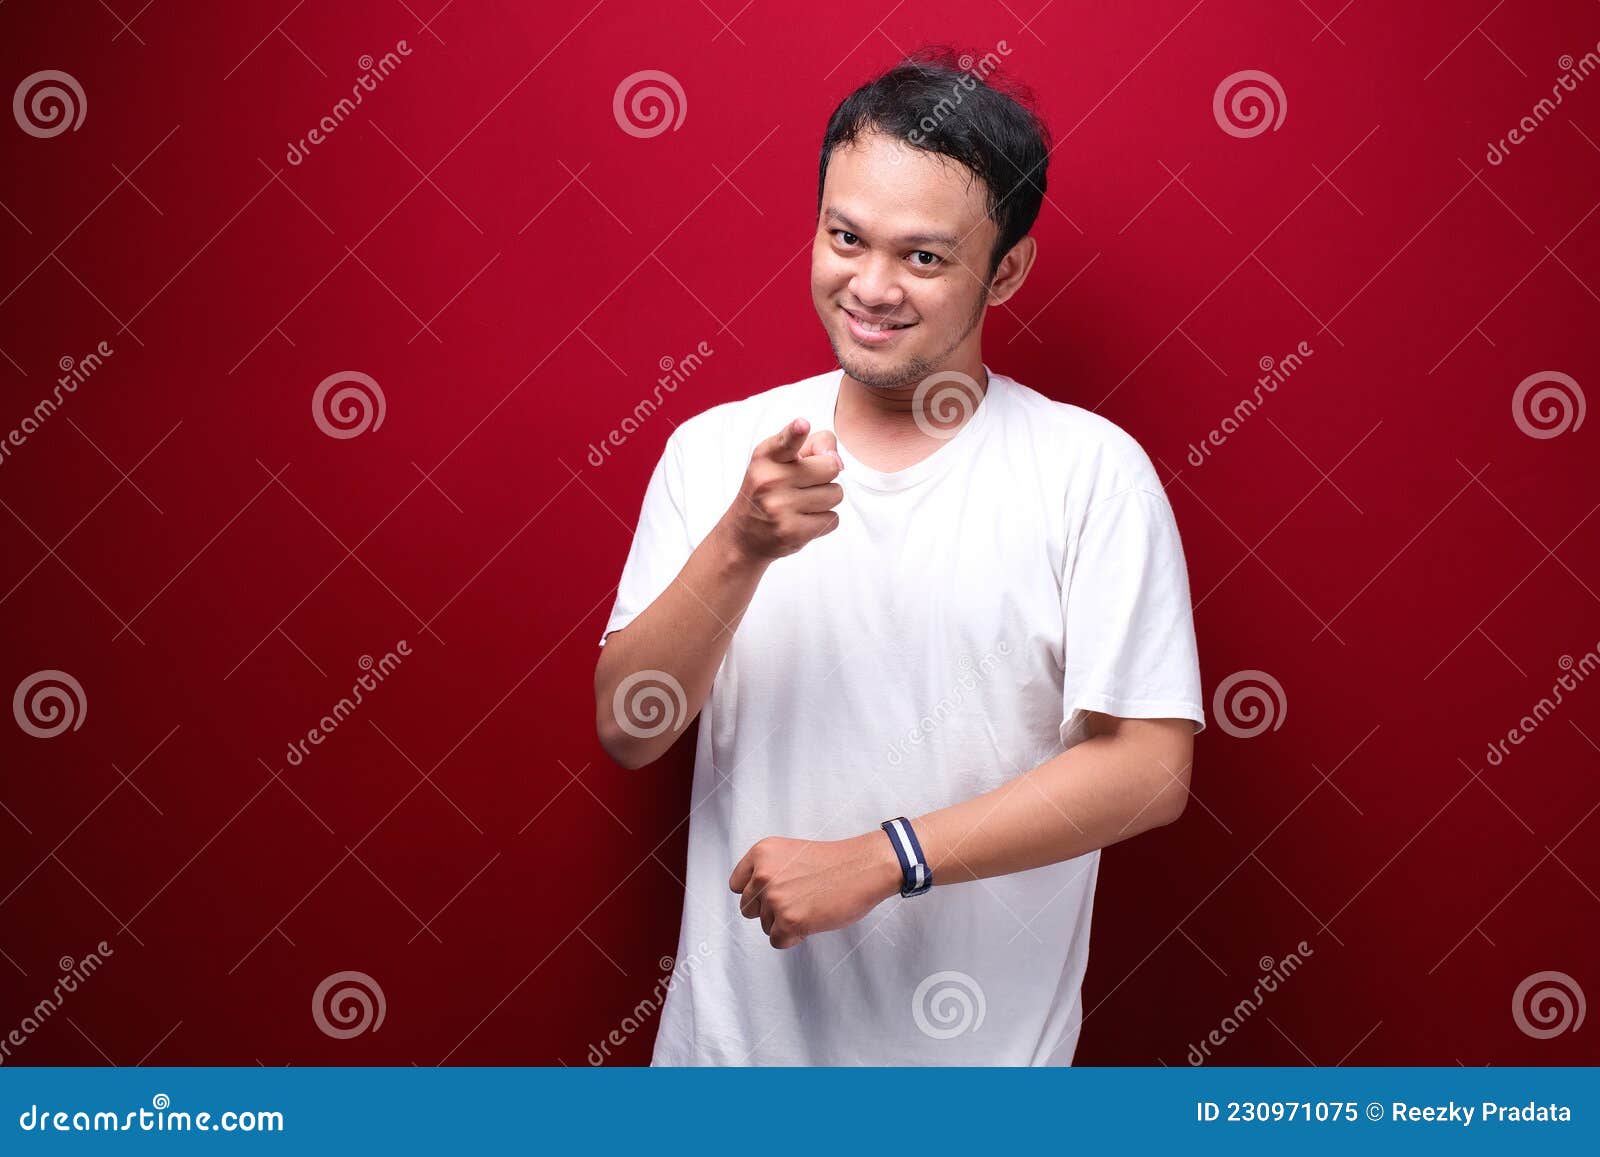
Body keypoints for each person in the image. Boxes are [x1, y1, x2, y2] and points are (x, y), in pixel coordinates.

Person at [594, 46, 1204, 1065]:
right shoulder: (715, 452)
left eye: (923, 256)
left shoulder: (1091, 472)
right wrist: (739, 546)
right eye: (845, 237)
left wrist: (890, 857)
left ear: (1004, 269)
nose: (869, 286)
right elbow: (628, 729)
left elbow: (1149, 768)